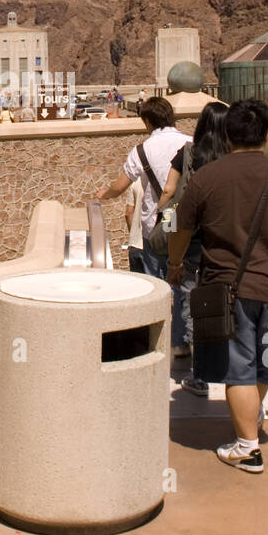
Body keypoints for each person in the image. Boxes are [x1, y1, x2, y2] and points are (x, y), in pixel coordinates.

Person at [168, 98, 268, 474]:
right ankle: (253, 420)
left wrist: (173, 264)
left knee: (239, 369)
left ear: (228, 133)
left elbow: (181, 229)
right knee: (264, 367)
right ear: (264, 133)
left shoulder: (208, 177)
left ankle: (248, 448)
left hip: (228, 290)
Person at [96, 98, 191, 348]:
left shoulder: (142, 150)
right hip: (186, 226)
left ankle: (155, 341)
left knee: (155, 286)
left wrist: (104, 195)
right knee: (183, 286)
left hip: (156, 228)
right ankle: (180, 343)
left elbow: (121, 185)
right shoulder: (190, 143)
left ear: (148, 121)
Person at [155, 100, 229, 390]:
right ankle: (227, 363)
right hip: (222, 242)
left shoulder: (187, 153)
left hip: (189, 242)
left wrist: (160, 215)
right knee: (223, 303)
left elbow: (169, 190)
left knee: (190, 304)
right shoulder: (231, 158)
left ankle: (200, 376)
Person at [124, 177, 145, 273]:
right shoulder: (167, 182)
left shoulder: (137, 181)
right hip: (155, 247)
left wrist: (133, 235)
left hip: (135, 245)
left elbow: (128, 213)